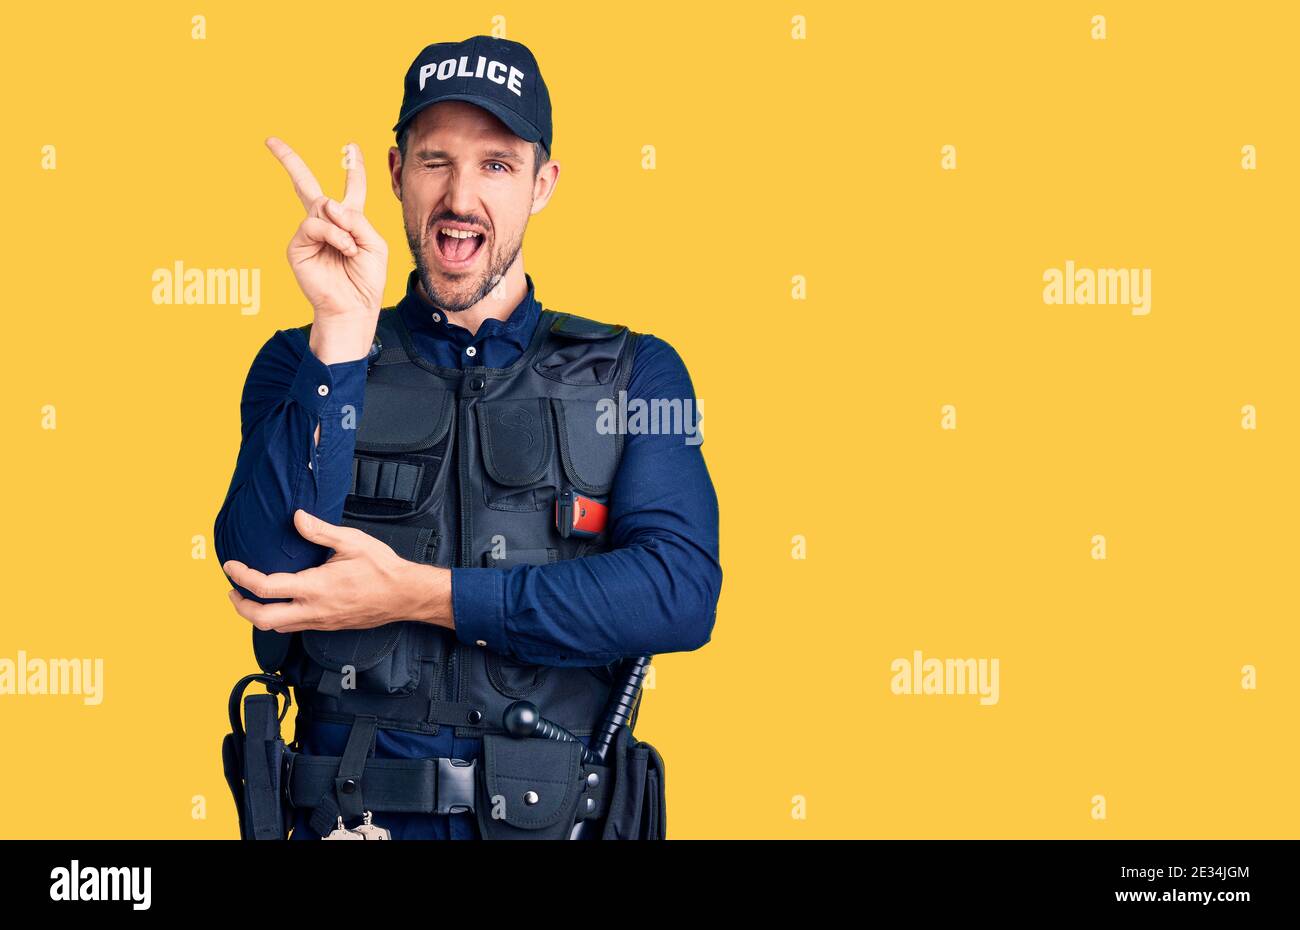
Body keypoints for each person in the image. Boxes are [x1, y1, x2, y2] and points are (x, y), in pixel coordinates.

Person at [213, 34, 722, 839]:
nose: (460, 196)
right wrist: (341, 334)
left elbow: (680, 595)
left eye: (495, 164)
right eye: (435, 160)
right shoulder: (301, 360)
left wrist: (426, 595)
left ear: (542, 184)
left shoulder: (637, 375)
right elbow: (267, 578)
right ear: (395, 174)